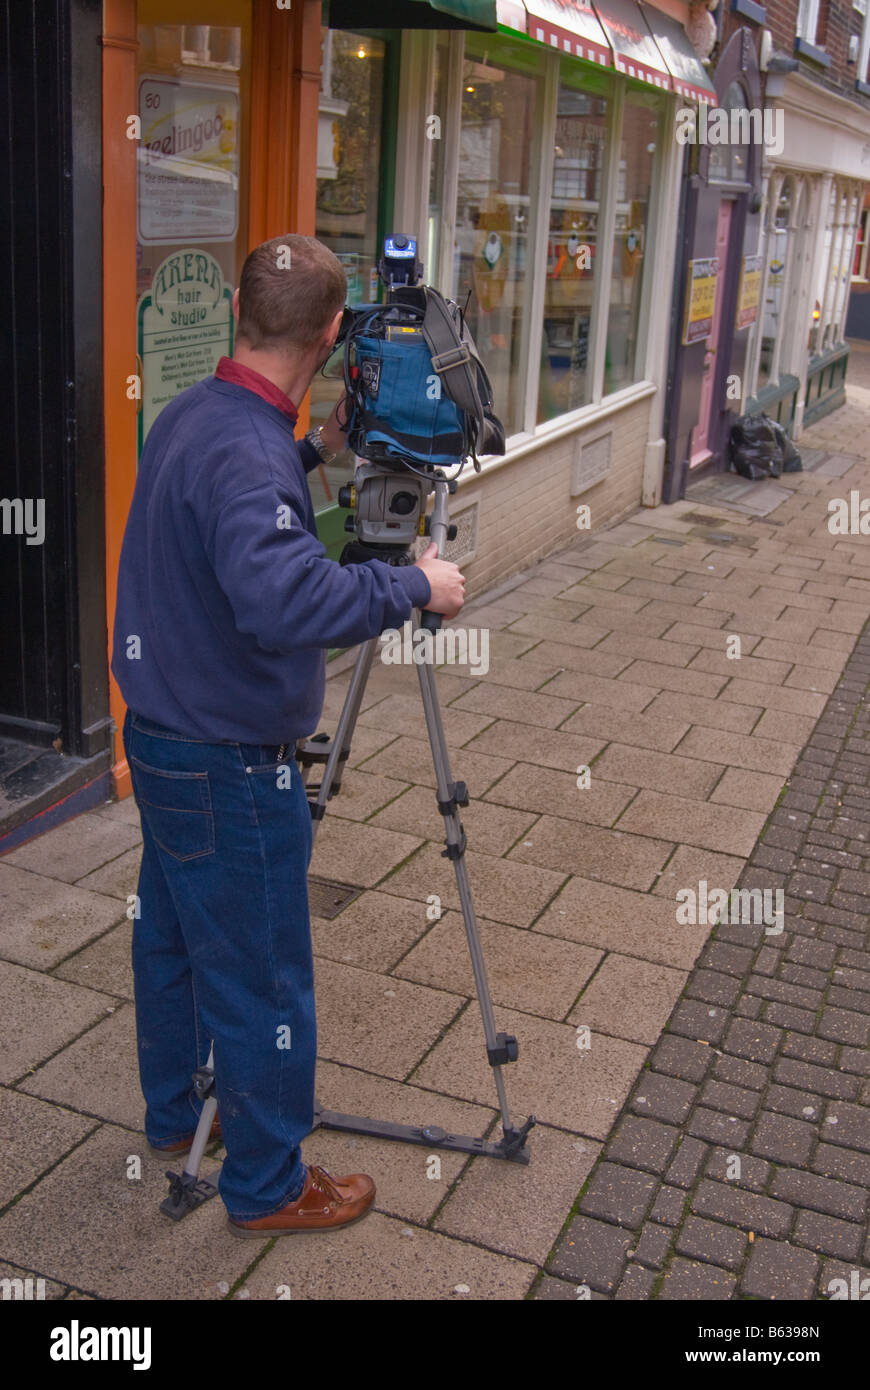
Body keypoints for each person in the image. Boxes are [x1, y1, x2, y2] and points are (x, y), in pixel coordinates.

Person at [111, 233, 466, 1236]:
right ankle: (269, 1185)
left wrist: (315, 454)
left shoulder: (203, 415)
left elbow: (238, 522)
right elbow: (281, 597)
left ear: (239, 314)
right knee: (263, 972)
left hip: (168, 739)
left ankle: (178, 1116)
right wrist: (414, 585)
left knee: (172, 945)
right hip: (226, 761)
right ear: (327, 334)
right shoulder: (242, 450)